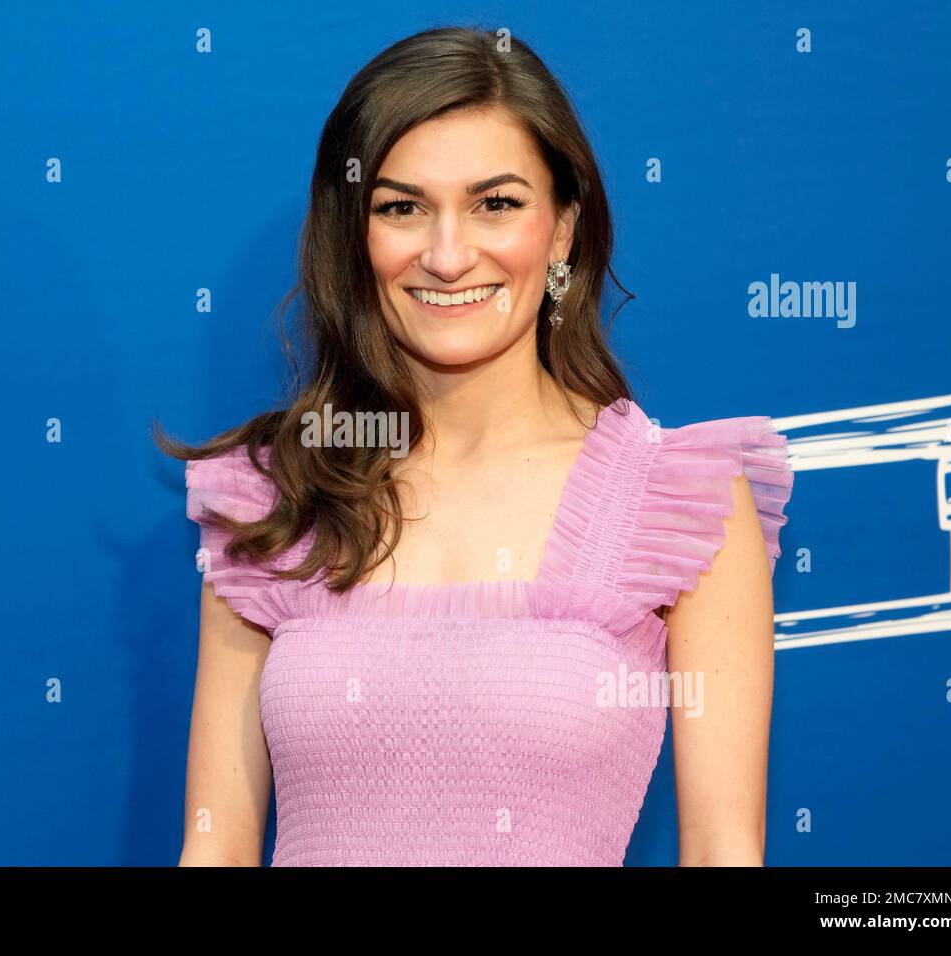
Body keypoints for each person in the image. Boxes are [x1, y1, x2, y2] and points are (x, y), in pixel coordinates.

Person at [159, 25, 793, 866]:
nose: (449, 255)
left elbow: (722, 851)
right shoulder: (275, 498)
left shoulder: (682, 500)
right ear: (356, 233)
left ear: (563, 228)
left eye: (496, 203)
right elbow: (217, 851)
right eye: (401, 207)